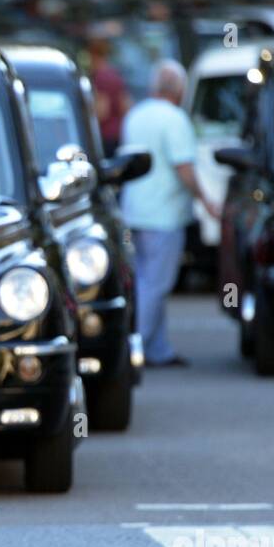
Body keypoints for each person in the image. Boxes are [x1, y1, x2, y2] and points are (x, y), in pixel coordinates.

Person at [118, 59, 221, 368]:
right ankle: (133, 349)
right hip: (164, 214)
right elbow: (184, 167)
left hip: (133, 211)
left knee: (144, 282)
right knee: (156, 285)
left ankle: (157, 349)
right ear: (179, 90)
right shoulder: (175, 119)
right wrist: (205, 199)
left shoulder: (135, 115)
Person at [88, 37, 130, 155]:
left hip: (106, 137)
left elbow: (102, 111)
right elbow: (125, 106)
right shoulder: (115, 75)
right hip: (119, 133)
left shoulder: (100, 77)